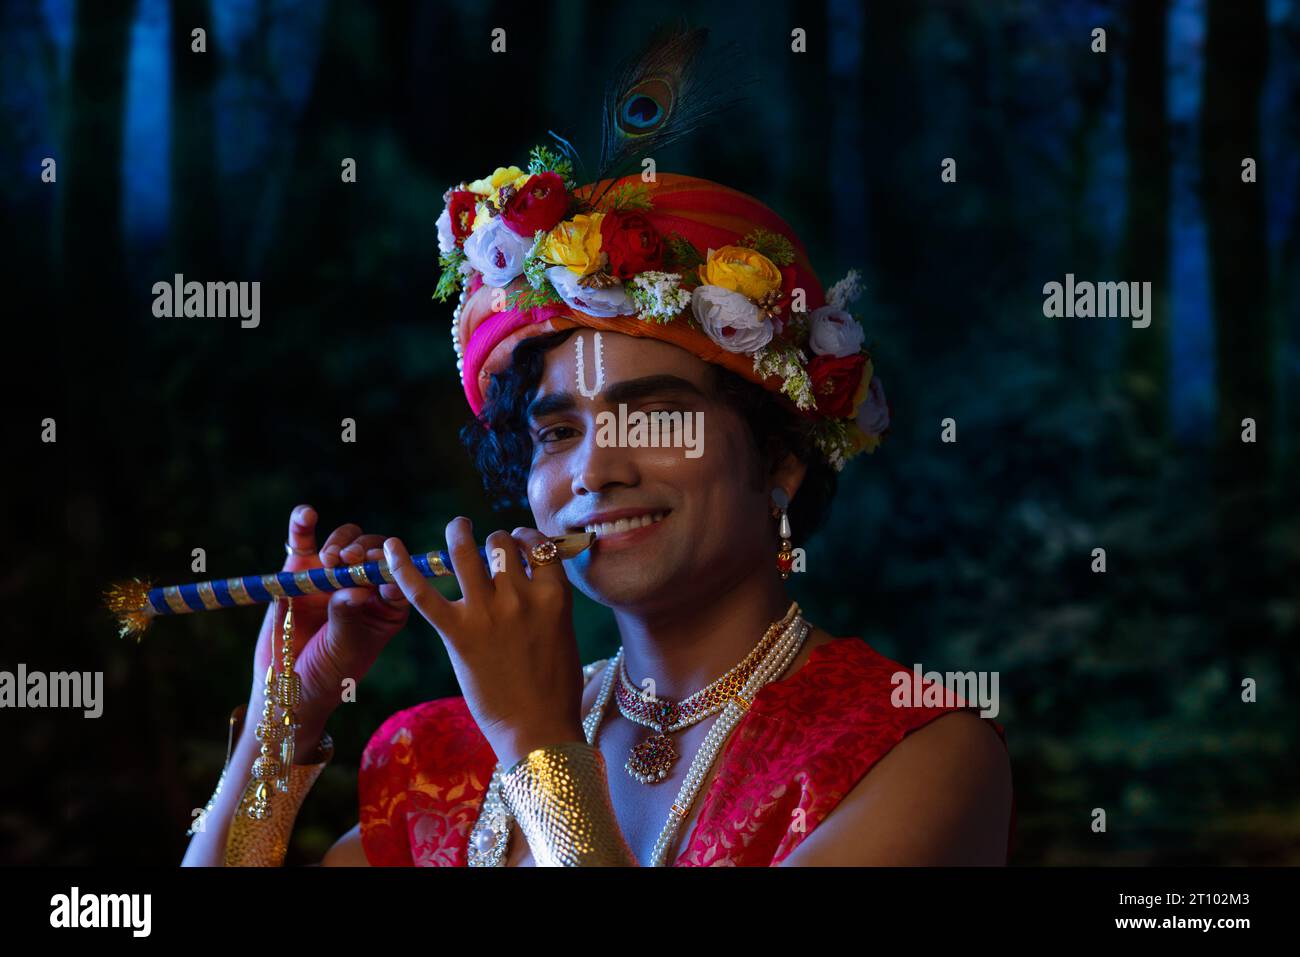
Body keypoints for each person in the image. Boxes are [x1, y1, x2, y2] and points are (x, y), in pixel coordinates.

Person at [181, 155, 1014, 867]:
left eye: (651, 416)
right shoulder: (441, 759)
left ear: (781, 461)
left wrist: (542, 750)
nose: (594, 469)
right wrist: (280, 717)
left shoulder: (914, 750)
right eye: (557, 430)